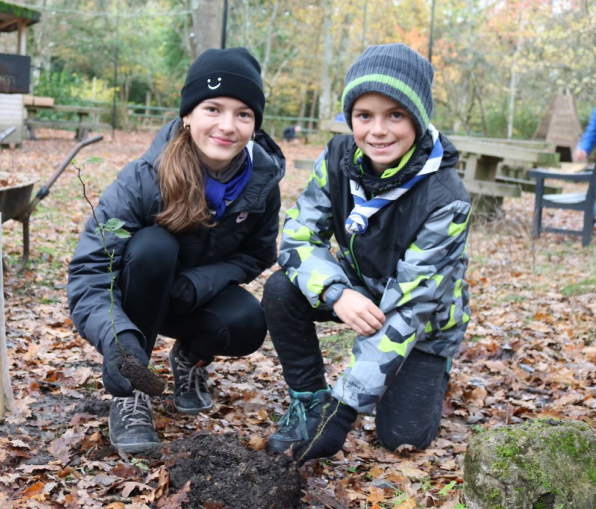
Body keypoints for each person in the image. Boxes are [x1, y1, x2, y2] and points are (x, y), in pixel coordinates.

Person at [67, 47, 285, 454]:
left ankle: (190, 359)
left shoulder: (263, 182)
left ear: (255, 124)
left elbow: (258, 254)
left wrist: (201, 281)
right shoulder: (143, 177)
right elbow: (90, 271)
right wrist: (118, 341)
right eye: (213, 109)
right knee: (153, 245)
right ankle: (132, 388)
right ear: (187, 114)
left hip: (192, 299)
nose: (227, 125)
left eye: (243, 114)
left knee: (249, 322)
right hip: (141, 294)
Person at [261, 43, 472, 462]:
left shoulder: (446, 199)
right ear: (351, 118)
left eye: (395, 114)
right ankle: (309, 399)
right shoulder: (338, 157)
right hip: (361, 289)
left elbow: (410, 307)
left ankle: (430, 371)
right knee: (283, 289)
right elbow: (299, 237)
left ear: (418, 116)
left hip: (422, 322)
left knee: (401, 436)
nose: (378, 130)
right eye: (364, 116)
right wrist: (337, 292)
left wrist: (341, 414)